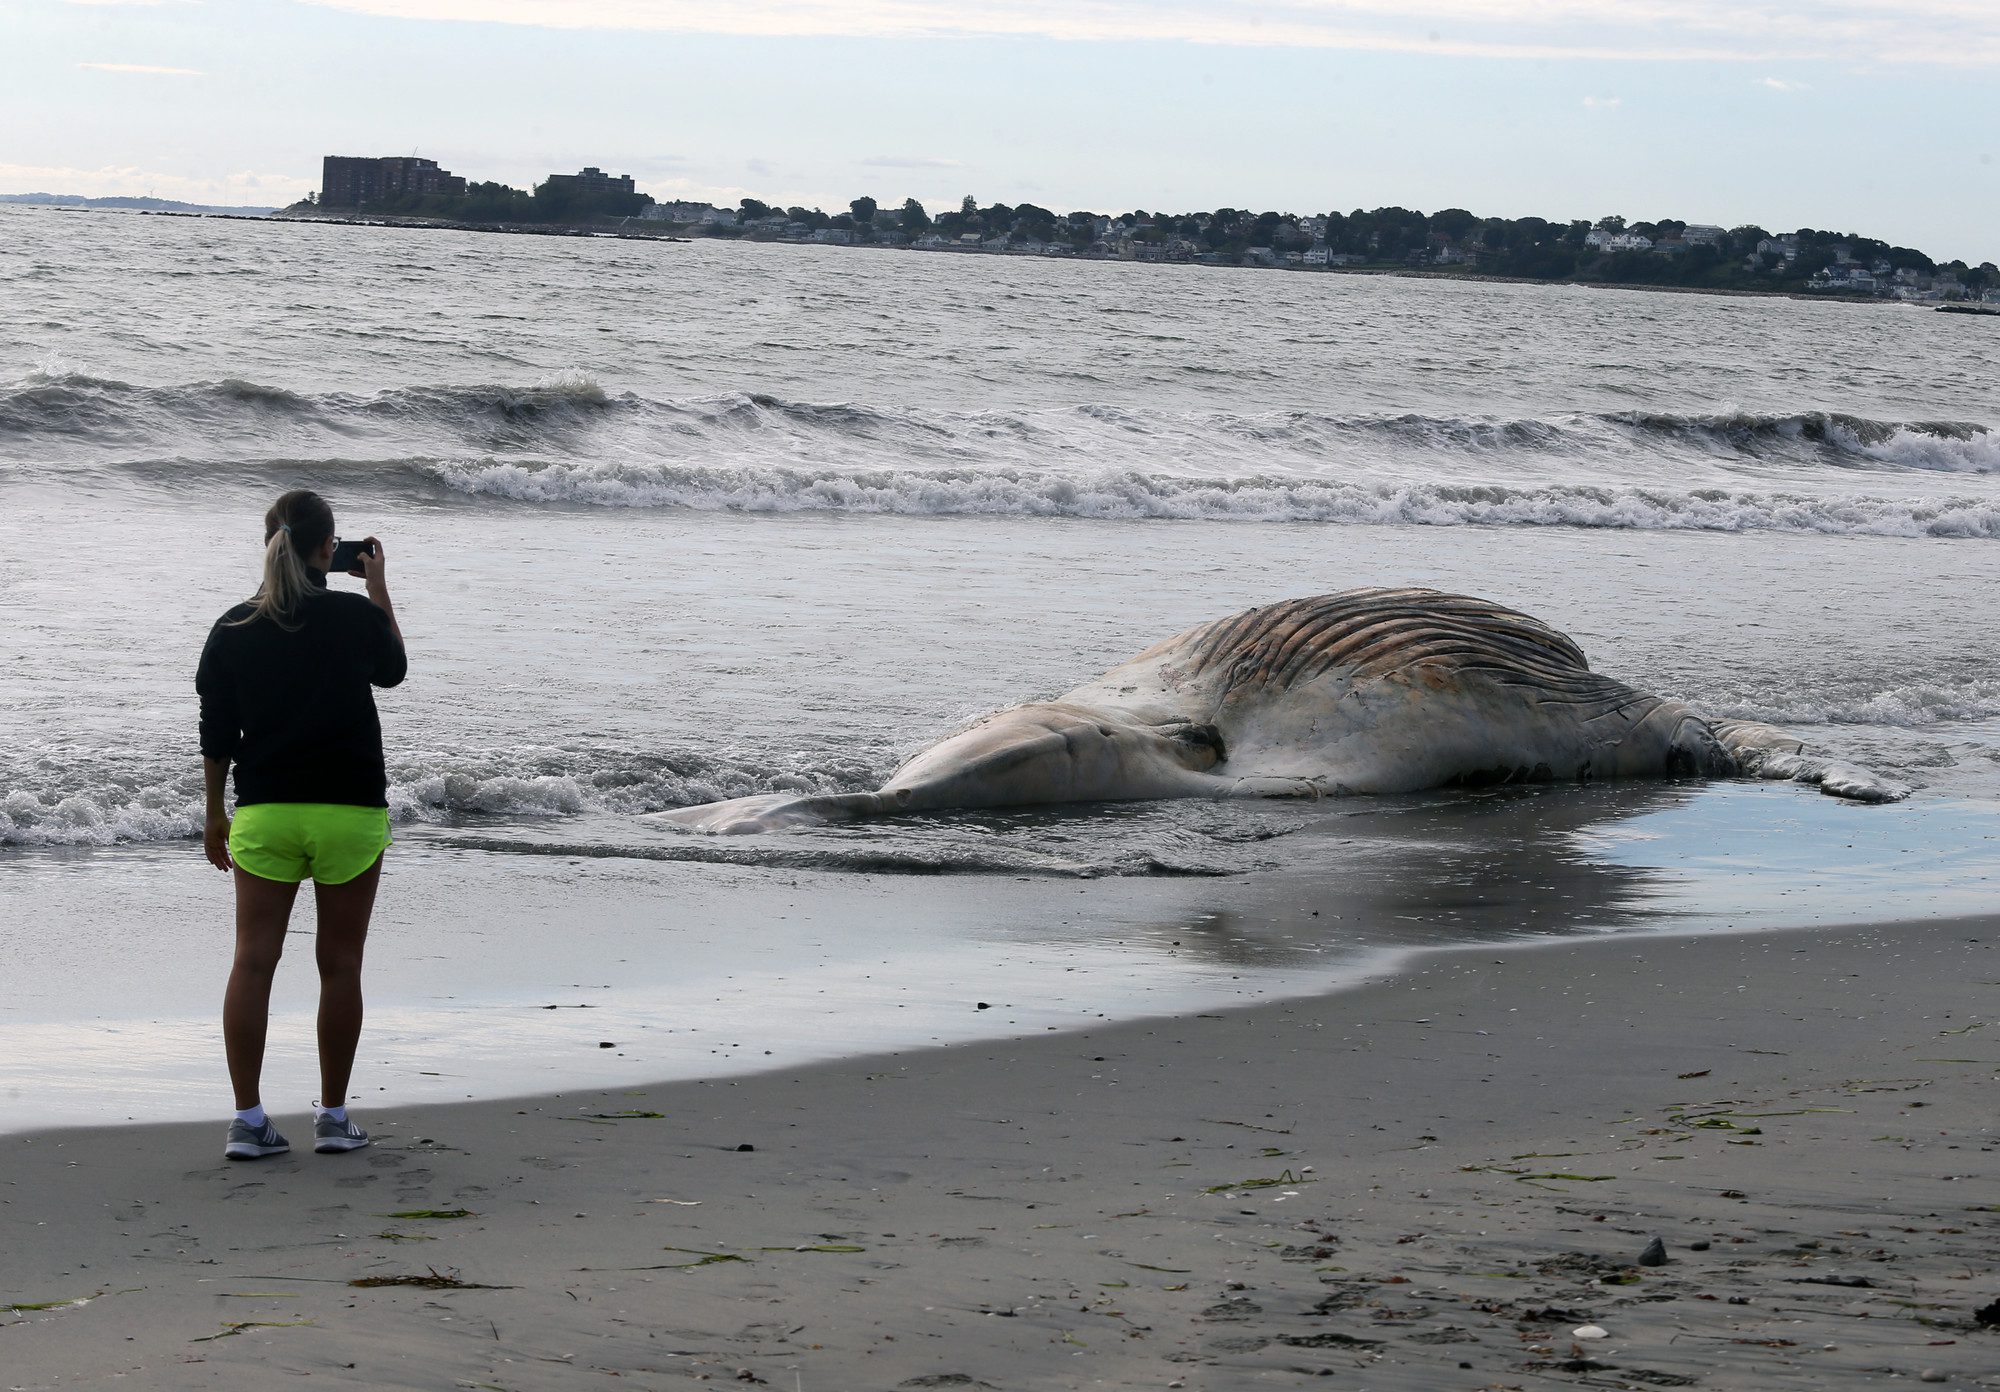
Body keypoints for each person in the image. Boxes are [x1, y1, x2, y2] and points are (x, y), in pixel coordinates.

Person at [196, 489, 405, 1161]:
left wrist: (213, 814)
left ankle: (248, 1121)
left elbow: (217, 732)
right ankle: (335, 1118)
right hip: (349, 811)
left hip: (266, 812)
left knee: (253, 960)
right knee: (339, 963)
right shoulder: (351, 615)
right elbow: (393, 669)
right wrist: (377, 587)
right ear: (327, 550)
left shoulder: (233, 627)